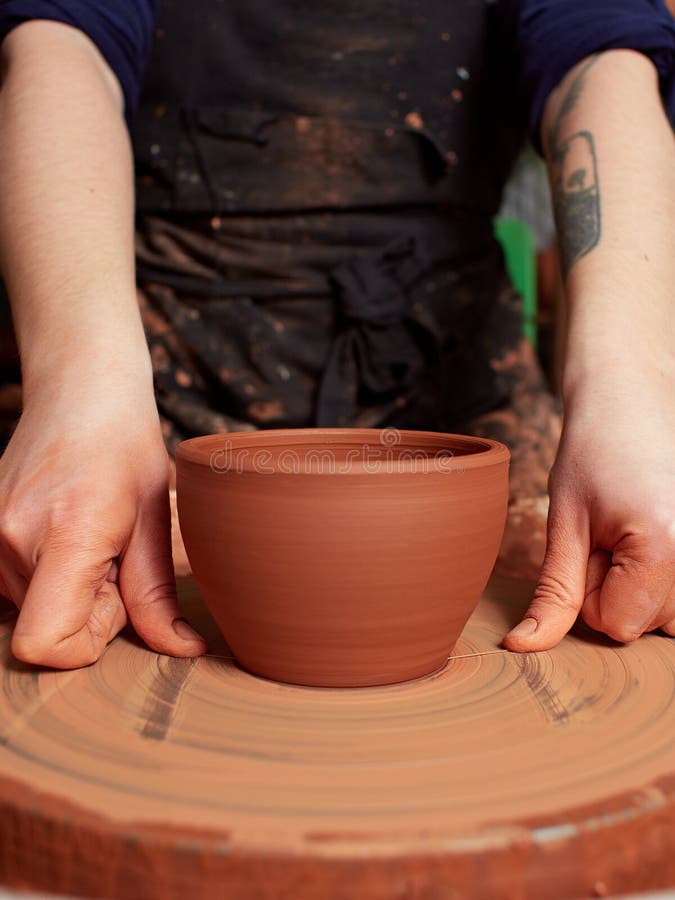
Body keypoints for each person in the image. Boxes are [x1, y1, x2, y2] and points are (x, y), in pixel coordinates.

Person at [0, 1, 673, 670]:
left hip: (454, 381)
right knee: (72, 572)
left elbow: (602, 51)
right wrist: (79, 382)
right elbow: (64, 39)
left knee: (613, 573)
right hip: (157, 377)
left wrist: (627, 388)